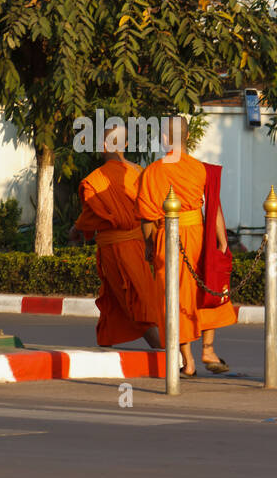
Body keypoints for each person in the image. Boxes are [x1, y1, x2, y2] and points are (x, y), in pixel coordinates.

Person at [137, 116, 236, 376]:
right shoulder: (201, 169)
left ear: (164, 139)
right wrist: (221, 240)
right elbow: (212, 207)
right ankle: (208, 349)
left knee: (174, 296)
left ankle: (187, 360)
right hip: (199, 237)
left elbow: (147, 216)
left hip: (167, 239)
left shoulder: (153, 171)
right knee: (207, 287)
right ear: (188, 137)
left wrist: (149, 246)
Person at [67, 124, 162, 350]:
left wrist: (76, 229)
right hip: (141, 244)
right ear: (125, 144)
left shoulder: (95, 180)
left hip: (118, 250)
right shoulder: (139, 173)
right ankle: (109, 343)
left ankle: (164, 349)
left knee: (135, 300)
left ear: (102, 145)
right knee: (122, 297)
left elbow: (91, 214)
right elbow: (153, 211)